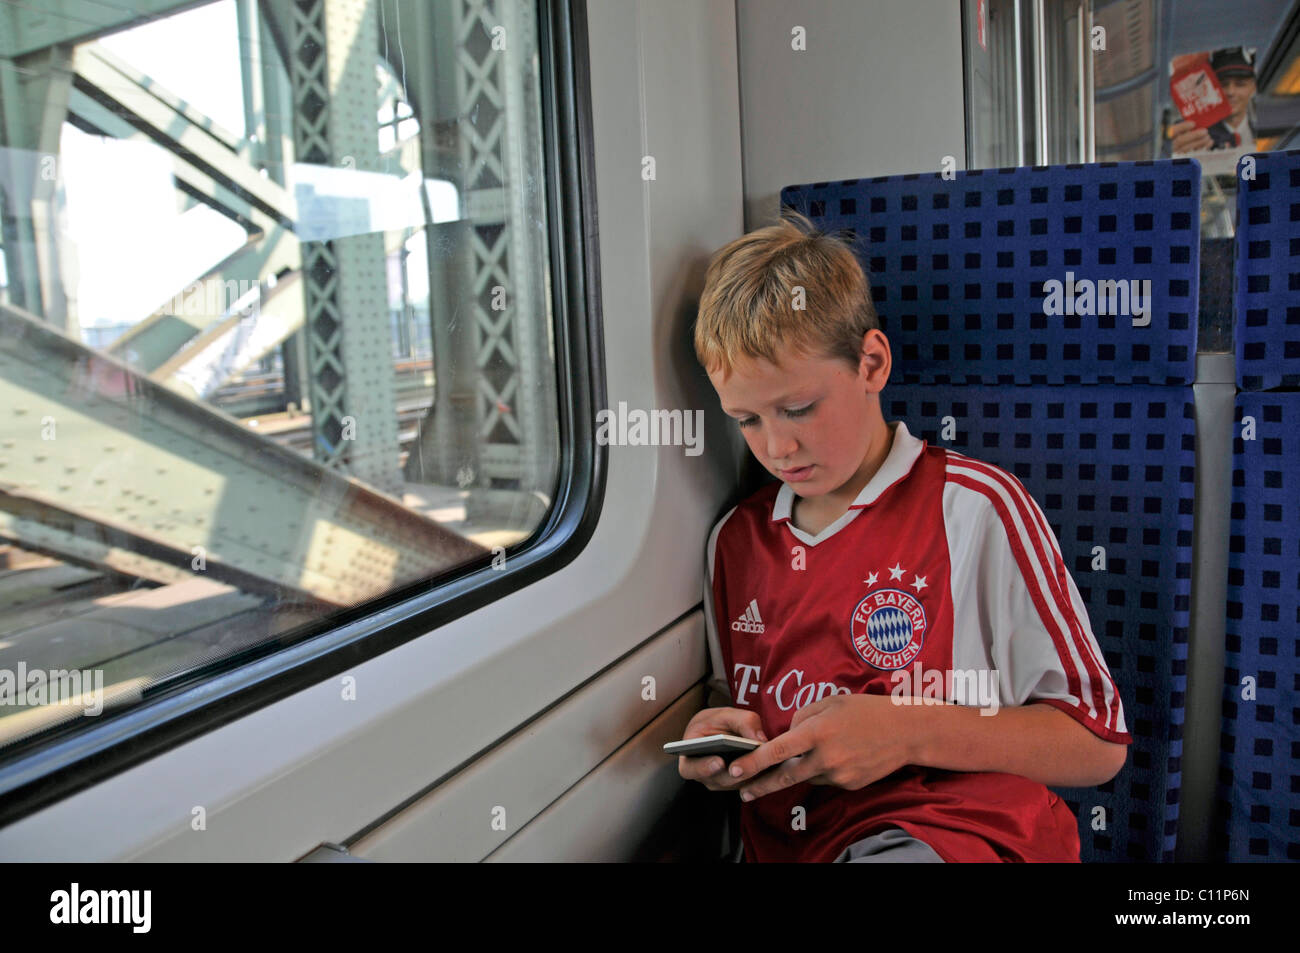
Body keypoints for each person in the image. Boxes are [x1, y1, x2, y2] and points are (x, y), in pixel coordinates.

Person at [679, 209, 1131, 862]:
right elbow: (736, 692)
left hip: (949, 834)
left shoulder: (975, 509)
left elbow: (1097, 743)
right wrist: (723, 734)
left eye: (799, 408)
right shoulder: (737, 542)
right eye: (746, 419)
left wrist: (908, 732)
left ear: (871, 363)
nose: (777, 445)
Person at [1168, 47, 1256, 160]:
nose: (1231, 92)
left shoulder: (1262, 129)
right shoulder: (1188, 133)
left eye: (1240, 84)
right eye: (1222, 84)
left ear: (1253, 88)